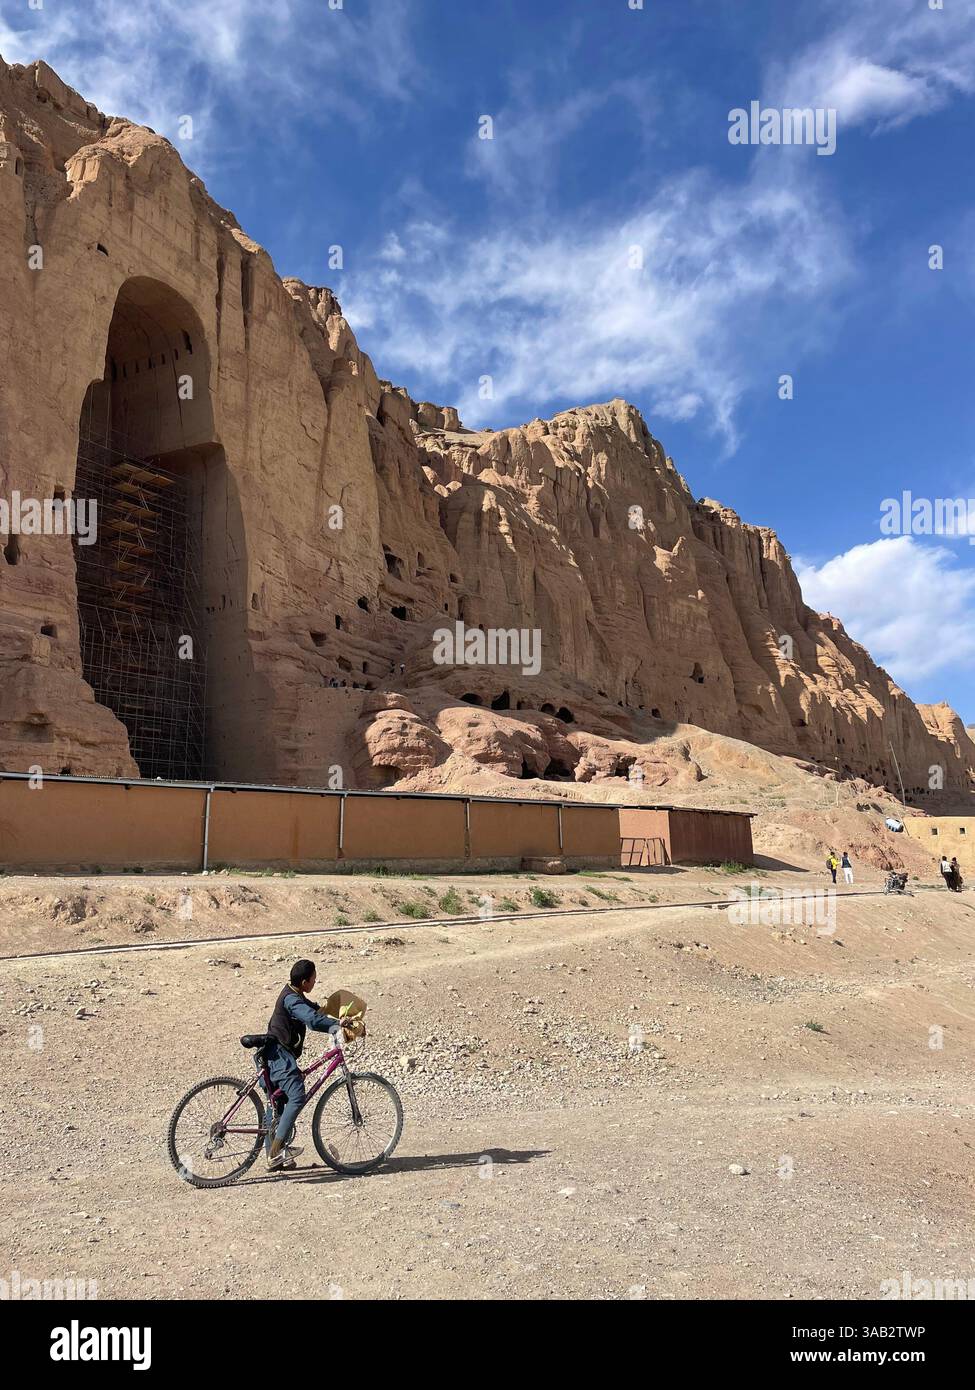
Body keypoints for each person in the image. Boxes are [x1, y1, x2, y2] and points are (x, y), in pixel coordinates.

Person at [261, 959, 342, 1171]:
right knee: (297, 1094)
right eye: (314, 979)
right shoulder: (291, 1000)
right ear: (305, 981)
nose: (315, 982)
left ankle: (275, 1156)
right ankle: (275, 1153)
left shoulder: (294, 994)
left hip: (275, 1055)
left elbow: (316, 1012)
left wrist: (341, 1015)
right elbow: (312, 1021)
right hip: (278, 1056)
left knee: (277, 1100)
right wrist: (336, 1026)